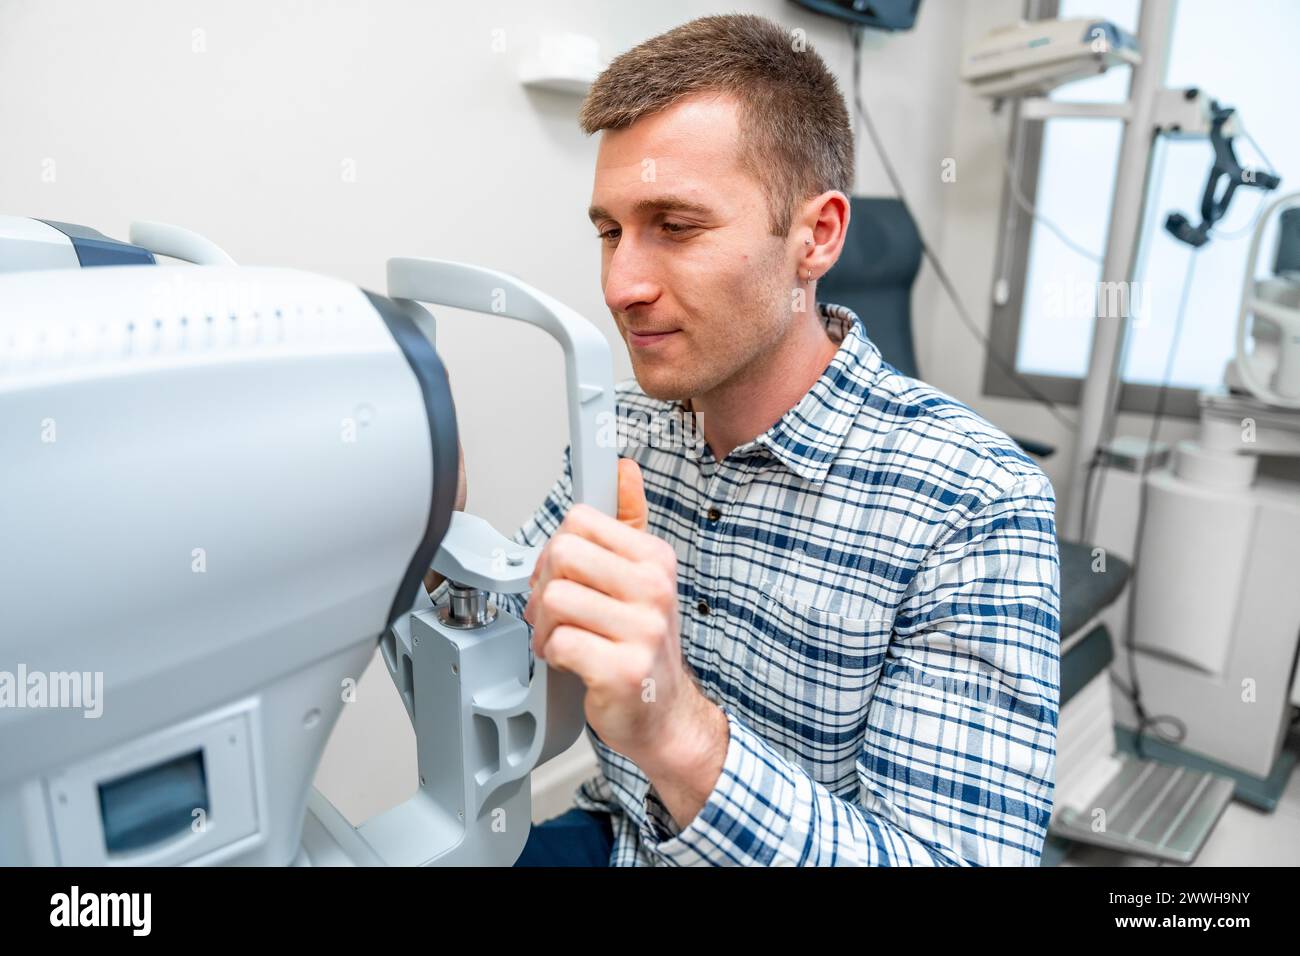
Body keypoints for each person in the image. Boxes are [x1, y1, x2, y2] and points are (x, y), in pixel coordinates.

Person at [429, 13, 1060, 867]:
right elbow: (509, 673)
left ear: (817, 237)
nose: (621, 285)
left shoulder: (975, 502)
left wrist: (678, 734)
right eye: (610, 232)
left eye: (677, 227)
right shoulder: (624, 430)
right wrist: (438, 538)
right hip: (619, 840)